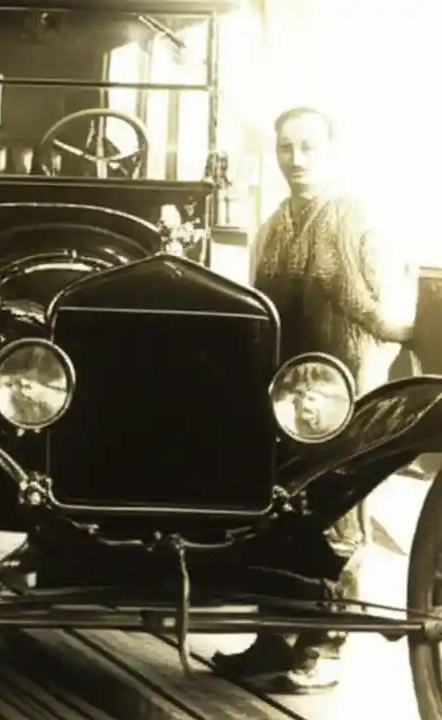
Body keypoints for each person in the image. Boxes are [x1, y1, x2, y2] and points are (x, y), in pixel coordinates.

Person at [213, 106, 418, 693]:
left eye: (307, 147)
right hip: (287, 392)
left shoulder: (353, 216)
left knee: (340, 518)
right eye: (285, 148)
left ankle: (324, 646)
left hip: (346, 393)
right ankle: (272, 637)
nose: (295, 160)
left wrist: (362, 389)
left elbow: (387, 319)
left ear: (331, 151)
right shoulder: (276, 222)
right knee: (278, 513)